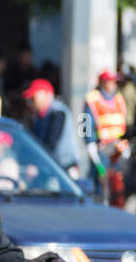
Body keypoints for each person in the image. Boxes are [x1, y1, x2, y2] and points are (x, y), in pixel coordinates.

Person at [83, 69, 129, 200]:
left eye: (114, 82)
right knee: (99, 180)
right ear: (102, 83)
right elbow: (85, 121)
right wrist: (89, 143)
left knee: (117, 181)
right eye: (110, 82)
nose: (113, 85)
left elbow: (125, 122)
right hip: (101, 147)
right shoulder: (92, 99)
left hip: (117, 147)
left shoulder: (119, 99)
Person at [24, 79, 81, 178]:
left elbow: (51, 142)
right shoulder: (39, 116)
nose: (31, 101)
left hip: (62, 168)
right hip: (49, 166)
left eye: (34, 97)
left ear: (46, 94)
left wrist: (36, 165)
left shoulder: (58, 112)